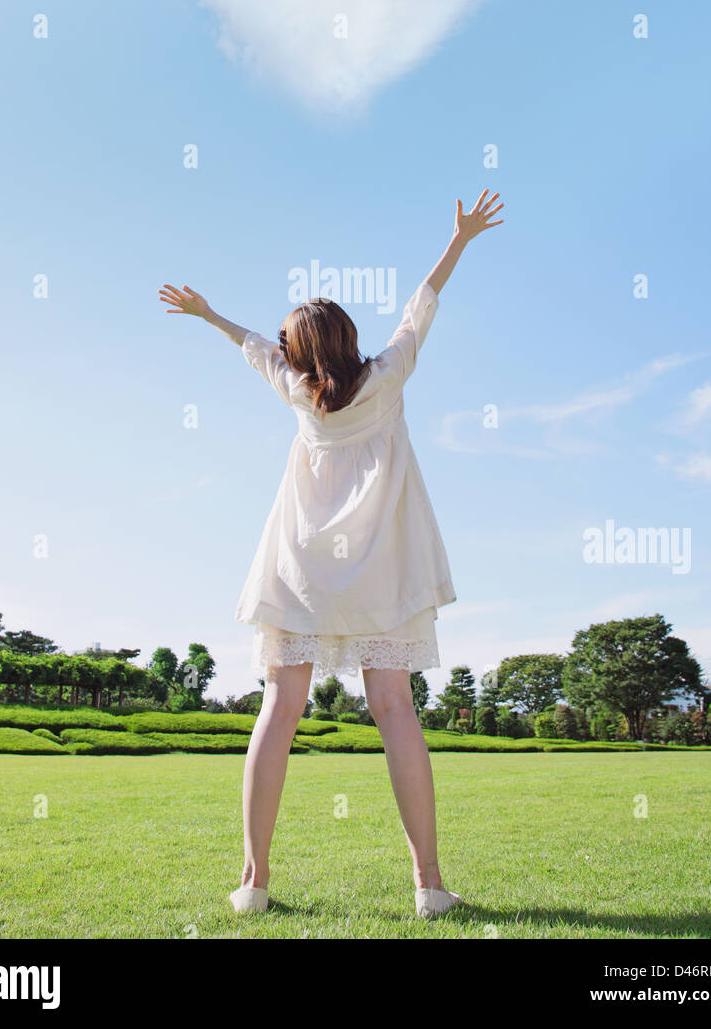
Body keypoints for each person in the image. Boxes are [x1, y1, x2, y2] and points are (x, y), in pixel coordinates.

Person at [159, 189, 504, 918]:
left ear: (298, 353)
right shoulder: (388, 377)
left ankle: (252, 884)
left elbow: (254, 346)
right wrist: (461, 239)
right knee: (394, 709)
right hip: (381, 569)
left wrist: (208, 314)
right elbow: (422, 303)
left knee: (280, 708)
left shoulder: (293, 390)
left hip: (303, 568)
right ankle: (430, 887)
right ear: (347, 338)